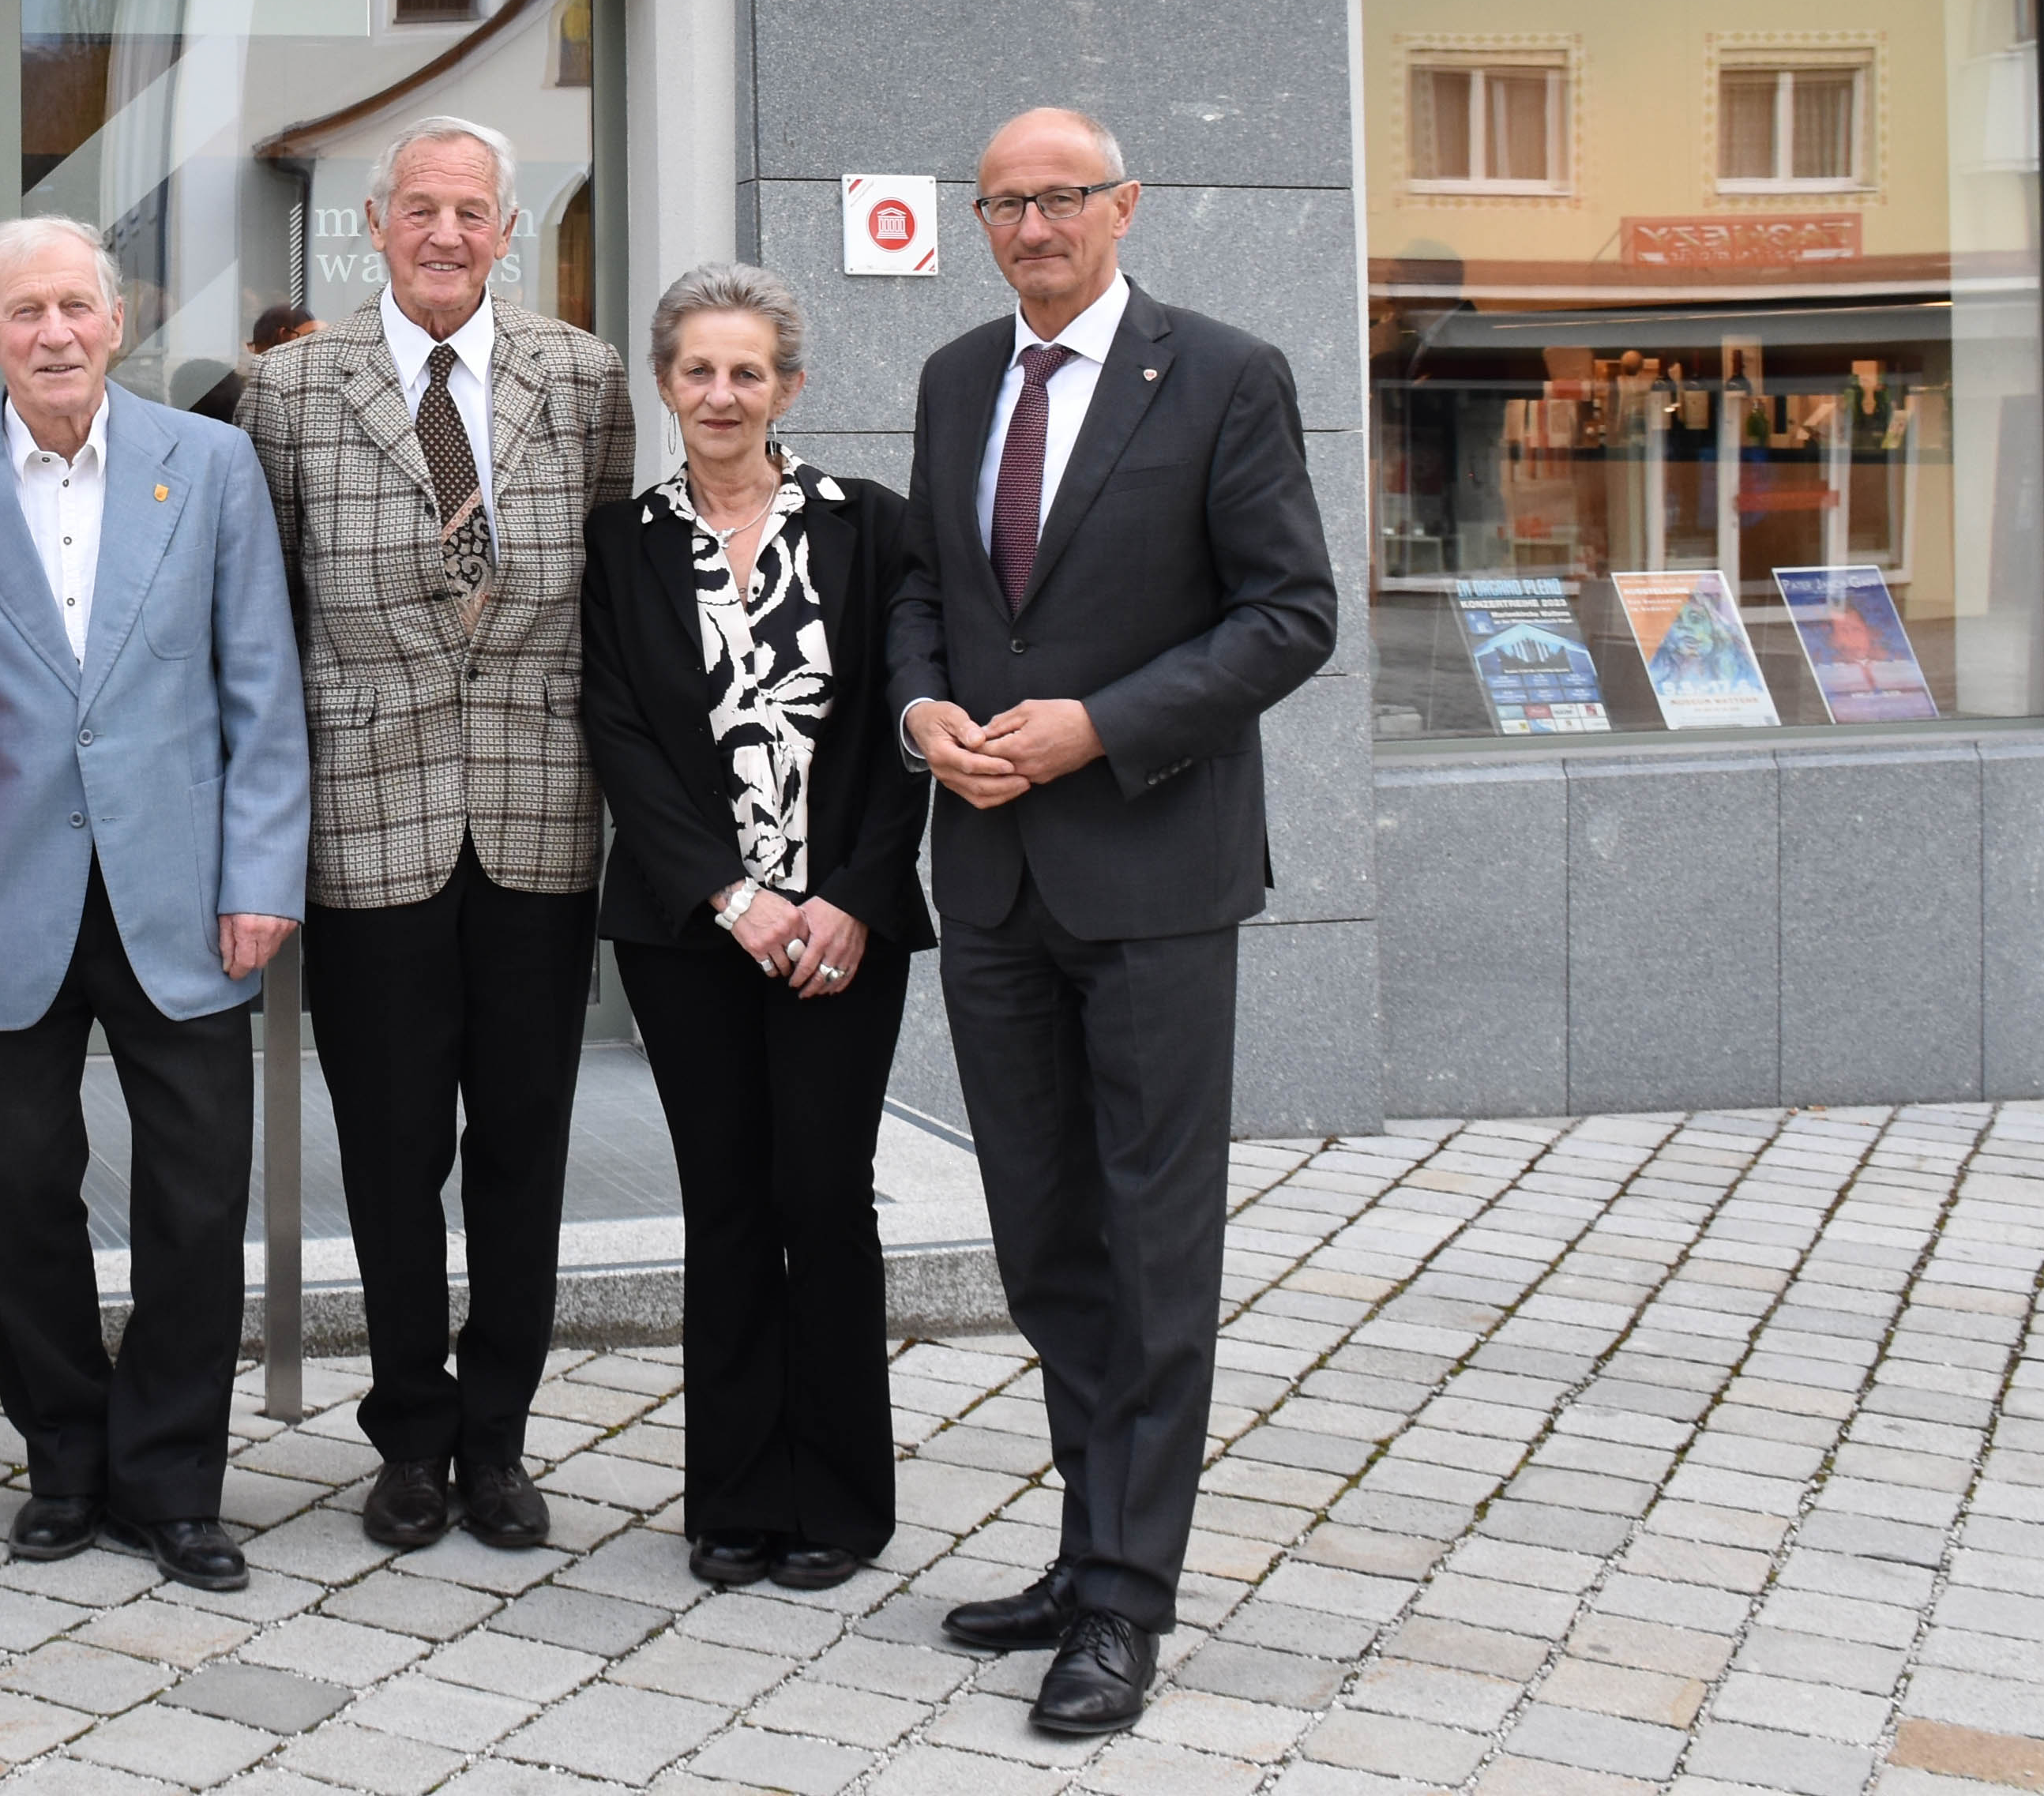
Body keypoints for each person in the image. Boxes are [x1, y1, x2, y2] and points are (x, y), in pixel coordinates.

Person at [889, 107, 1336, 1738]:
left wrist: (1101, 726)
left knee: (1150, 1244)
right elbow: (926, 590)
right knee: (1041, 1235)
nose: (1028, 227)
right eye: (1001, 203)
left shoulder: (1220, 374)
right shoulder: (951, 382)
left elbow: (1288, 615)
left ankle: (1128, 1601)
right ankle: (1088, 1547)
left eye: (1057, 198)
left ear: (1122, 207)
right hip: (994, 875)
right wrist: (919, 706)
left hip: (1149, 873)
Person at [0, 220, 306, 1593]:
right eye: (23, 312)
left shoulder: (214, 463)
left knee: (194, 1199)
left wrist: (258, 873)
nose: (51, 332)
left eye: (74, 306)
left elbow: (261, 684)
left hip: (181, 896)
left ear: (115, 321)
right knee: (20, 1200)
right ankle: (61, 1460)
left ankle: (174, 1480)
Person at [245, 113, 634, 1554]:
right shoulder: (287, 391)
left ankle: (499, 1437)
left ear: (506, 230)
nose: (446, 235)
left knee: (524, 1142)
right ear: (373, 222)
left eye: (472, 211)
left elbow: (609, 593)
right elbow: (264, 625)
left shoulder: (583, 379)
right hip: (365, 819)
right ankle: (406, 1434)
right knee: (389, 1147)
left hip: (537, 813)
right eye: (420, 209)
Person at [578, 263, 932, 1591]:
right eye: (695, 370)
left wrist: (842, 896)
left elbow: (908, 730)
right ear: (665, 384)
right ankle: (730, 1496)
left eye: (746, 372)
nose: (720, 395)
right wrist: (735, 898)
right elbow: (618, 734)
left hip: (846, 926)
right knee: (725, 1203)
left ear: (788, 386)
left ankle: (837, 1501)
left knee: (822, 1198)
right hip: (689, 935)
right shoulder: (622, 546)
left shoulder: (871, 528)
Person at [186, 303, 318, 426]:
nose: (316, 345)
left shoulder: (238, 378)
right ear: (284, 335)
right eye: (310, 336)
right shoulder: (261, 385)